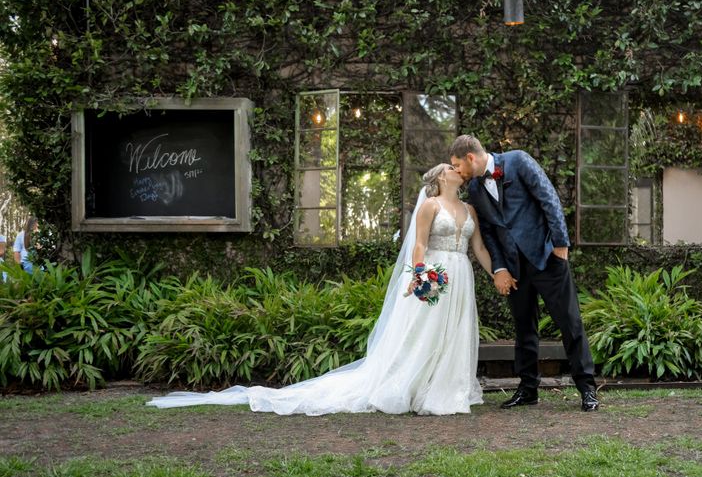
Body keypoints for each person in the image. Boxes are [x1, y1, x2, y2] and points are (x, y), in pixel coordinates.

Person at [148, 164, 494, 415]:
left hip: (461, 275)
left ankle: (447, 387)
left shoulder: (469, 209)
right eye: (450, 167)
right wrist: (419, 275)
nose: (456, 169)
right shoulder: (430, 206)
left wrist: (497, 273)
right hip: (434, 272)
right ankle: (414, 386)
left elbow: (478, 248)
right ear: (439, 178)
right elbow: (418, 244)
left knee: (454, 332)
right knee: (424, 332)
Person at [449, 135, 599, 412]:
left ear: (470, 157)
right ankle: (528, 389)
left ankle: (587, 389)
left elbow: (549, 199)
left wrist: (561, 245)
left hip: (546, 257)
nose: (457, 171)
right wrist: (500, 267)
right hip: (514, 267)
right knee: (524, 328)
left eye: (457, 165)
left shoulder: (518, 160)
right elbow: (491, 232)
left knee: (569, 322)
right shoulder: (475, 190)